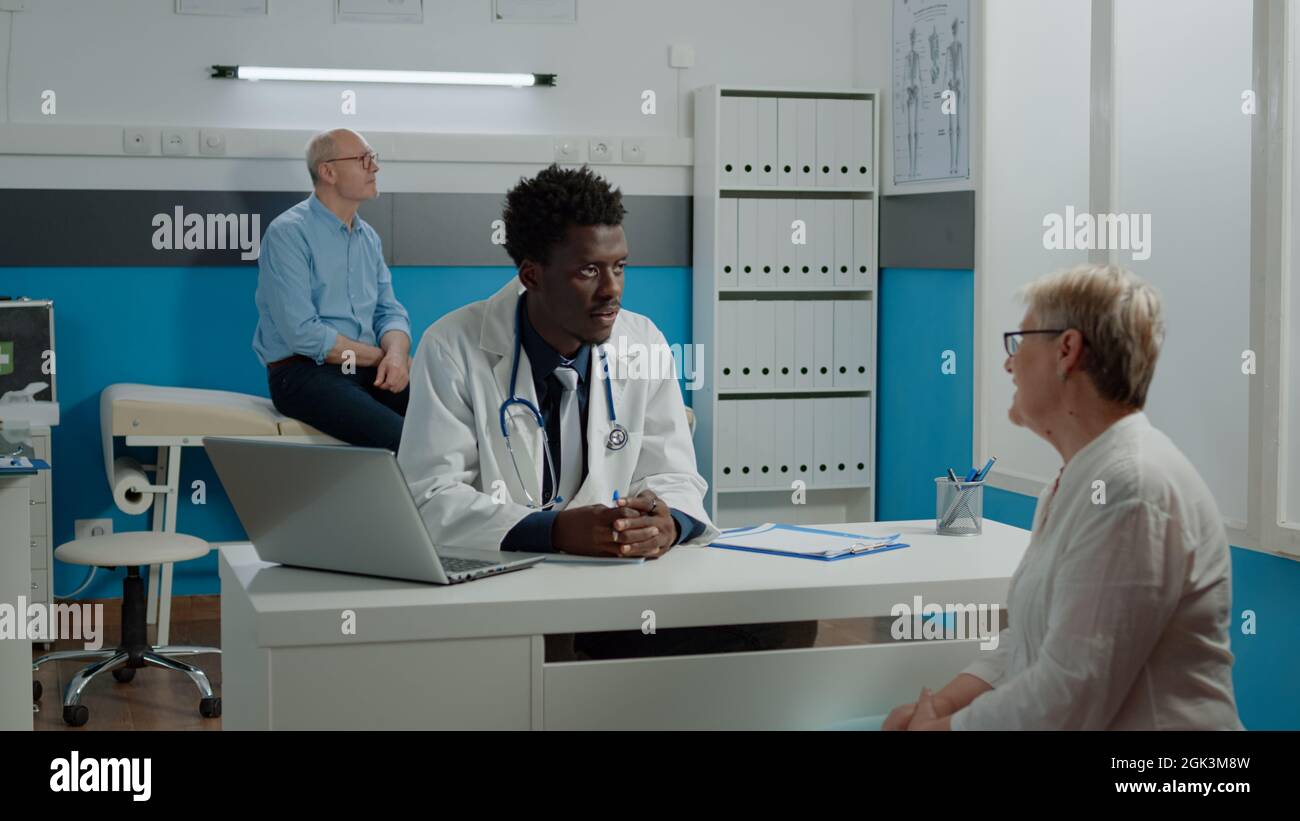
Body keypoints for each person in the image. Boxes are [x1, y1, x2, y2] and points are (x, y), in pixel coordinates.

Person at [398, 164, 817, 659]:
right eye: (589, 271)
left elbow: (674, 473)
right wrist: (554, 531)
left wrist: (668, 523)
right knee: (547, 657)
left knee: (786, 624)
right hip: (505, 590)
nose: (612, 289)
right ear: (532, 274)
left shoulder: (643, 342)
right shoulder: (453, 346)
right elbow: (430, 500)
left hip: (613, 589)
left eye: (620, 266)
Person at [884, 264, 1241, 730]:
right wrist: (946, 705)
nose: (1008, 364)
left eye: (1019, 342)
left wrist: (946, 730)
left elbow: (1070, 691)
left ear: (1067, 350)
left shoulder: (1131, 489)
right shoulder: (1084, 478)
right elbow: (1031, 640)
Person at [253, 128, 412, 451]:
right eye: (364, 160)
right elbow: (304, 334)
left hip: (368, 370)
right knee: (406, 442)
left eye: (374, 159)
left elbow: (389, 312)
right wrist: (385, 357)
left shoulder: (368, 238)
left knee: (451, 429)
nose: (375, 168)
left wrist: (396, 355)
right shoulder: (289, 234)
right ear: (328, 171)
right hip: (304, 373)